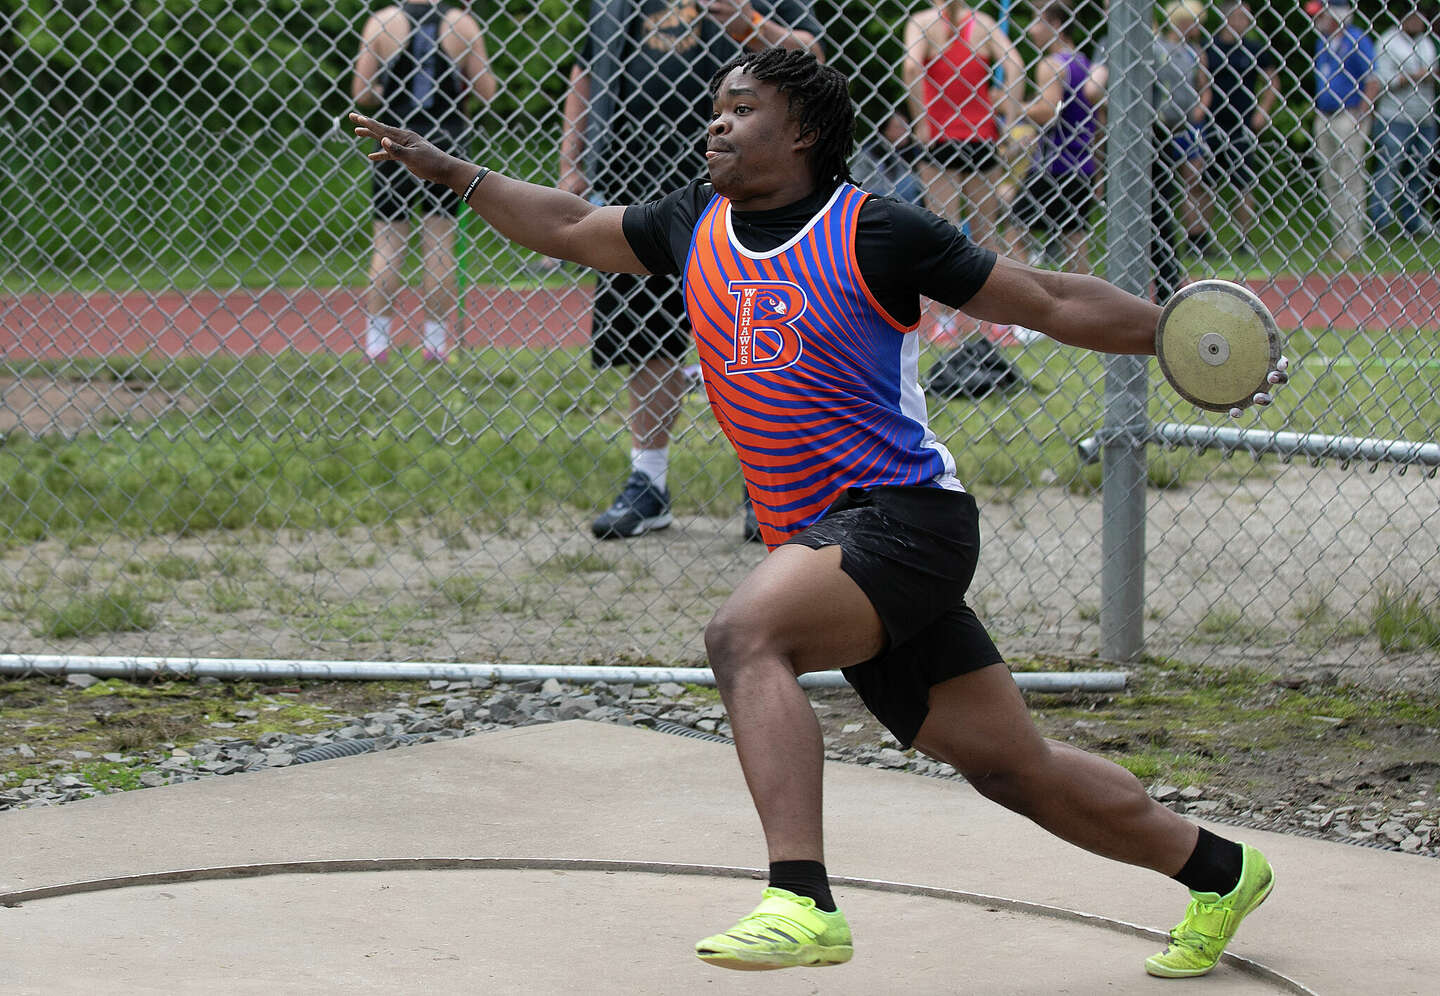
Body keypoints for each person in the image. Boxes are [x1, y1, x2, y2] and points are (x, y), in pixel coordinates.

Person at [350, 47, 1283, 978]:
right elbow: (567, 224)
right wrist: (457, 173)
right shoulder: (693, 222)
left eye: (742, 108)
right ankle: (1222, 871)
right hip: (823, 541)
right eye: (717, 108)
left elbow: (1046, 298)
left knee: (744, 635)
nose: (717, 122)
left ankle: (801, 899)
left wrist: (1189, 341)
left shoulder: (876, 230)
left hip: (903, 517)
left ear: (799, 131)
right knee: (1013, 768)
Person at [560, 0, 822, 542]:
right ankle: (648, 481)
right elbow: (587, 71)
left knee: (755, 334)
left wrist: (751, 25)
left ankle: (768, 485)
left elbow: (813, 56)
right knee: (644, 333)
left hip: (744, 178)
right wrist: (571, 163)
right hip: (636, 176)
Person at [350, 0, 497, 363]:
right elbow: (486, 91)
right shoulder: (462, 23)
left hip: (393, 140)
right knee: (439, 241)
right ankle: (435, 344)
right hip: (445, 143)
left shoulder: (381, 21)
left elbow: (362, 92)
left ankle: (377, 344)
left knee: (388, 242)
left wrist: (390, 89)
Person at [903, 1, 1024, 342]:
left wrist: (921, 121)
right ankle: (999, 319)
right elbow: (1015, 64)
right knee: (987, 233)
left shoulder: (921, 22)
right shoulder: (983, 22)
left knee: (944, 231)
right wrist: (1012, 118)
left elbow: (911, 66)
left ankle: (945, 319)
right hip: (980, 136)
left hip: (939, 136)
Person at [1004, 0, 1106, 278]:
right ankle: (1084, 300)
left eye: (1037, 21)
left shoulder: (1050, 64)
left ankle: (1030, 293)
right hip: (1082, 164)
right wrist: (1097, 168)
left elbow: (1048, 111)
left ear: (1056, 24)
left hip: (1053, 165)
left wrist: (1012, 105)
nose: (1031, 30)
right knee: (1075, 241)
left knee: (1013, 232)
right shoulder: (1084, 63)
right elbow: (1096, 119)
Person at [1203, 0, 1281, 251]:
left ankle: (1244, 239)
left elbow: (1273, 81)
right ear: (1226, 18)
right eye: (1238, 17)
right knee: (1205, 183)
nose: (1243, 23)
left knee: (1244, 183)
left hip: (1242, 124)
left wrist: (1262, 111)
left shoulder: (1254, 48)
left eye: (1246, 18)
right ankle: (1202, 240)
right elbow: (1199, 80)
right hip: (1212, 122)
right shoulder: (1210, 47)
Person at [1306, 0, 1379, 263]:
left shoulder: (1356, 39)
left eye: (1322, 14)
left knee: (1350, 178)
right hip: (1324, 115)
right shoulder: (1323, 42)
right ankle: (1339, 242)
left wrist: (1362, 114)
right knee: (1330, 179)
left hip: (1349, 114)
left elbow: (1372, 80)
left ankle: (1353, 242)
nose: (1318, 19)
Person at [1370, 5, 1438, 237]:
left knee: (1419, 170)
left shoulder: (1426, 42)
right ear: (1403, 17)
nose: (1419, 22)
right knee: (1389, 168)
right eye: (1414, 17)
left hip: (1424, 117)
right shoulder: (1387, 41)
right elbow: (1382, 80)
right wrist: (1414, 76)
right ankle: (1380, 221)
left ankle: (1412, 220)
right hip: (1395, 117)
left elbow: (1433, 72)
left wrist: (1428, 75)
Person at [1157, 1, 1214, 260]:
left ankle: (1196, 236)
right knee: (1165, 181)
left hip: (1189, 123)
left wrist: (1200, 109)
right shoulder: (1160, 48)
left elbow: (1205, 86)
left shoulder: (1195, 52)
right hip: (1164, 122)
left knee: (1194, 176)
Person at [850, 112, 926, 206]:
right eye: (899, 127)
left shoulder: (909, 151)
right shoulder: (872, 153)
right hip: (874, 198)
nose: (905, 132)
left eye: (907, 127)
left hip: (900, 202)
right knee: (909, 181)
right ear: (886, 130)